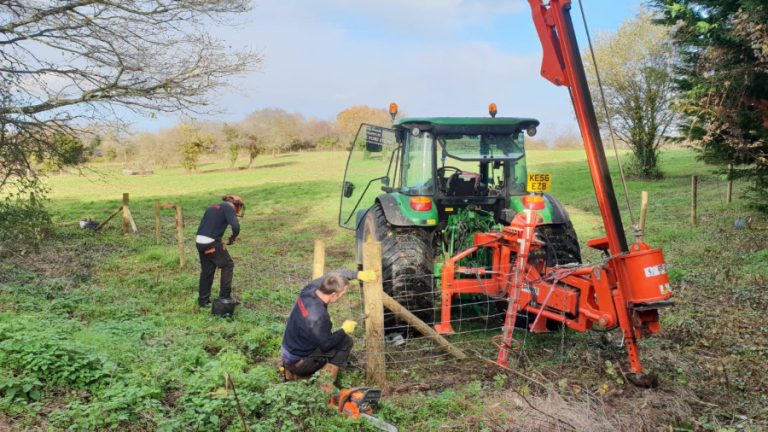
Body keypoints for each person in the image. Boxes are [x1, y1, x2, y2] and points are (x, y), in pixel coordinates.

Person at [280, 269, 376, 389]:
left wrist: (357, 275)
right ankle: (325, 385)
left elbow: (333, 274)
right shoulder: (319, 316)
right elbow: (326, 345)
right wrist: (344, 330)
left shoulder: (309, 289)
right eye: (343, 293)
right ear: (334, 295)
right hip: (299, 363)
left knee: (323, 338)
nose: (342, 296)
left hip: (287, 353)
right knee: (345, 342)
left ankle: (289, 374)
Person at [195, 195, 244, 308]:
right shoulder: (228, 208)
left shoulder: (212, 207)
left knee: (207, 271)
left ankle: (203, 301)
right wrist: (232, 237)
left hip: (199, 242)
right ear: (236, 205)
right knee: (228, 265)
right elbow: (236, 227)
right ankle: (225, 298)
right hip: (211, 243)